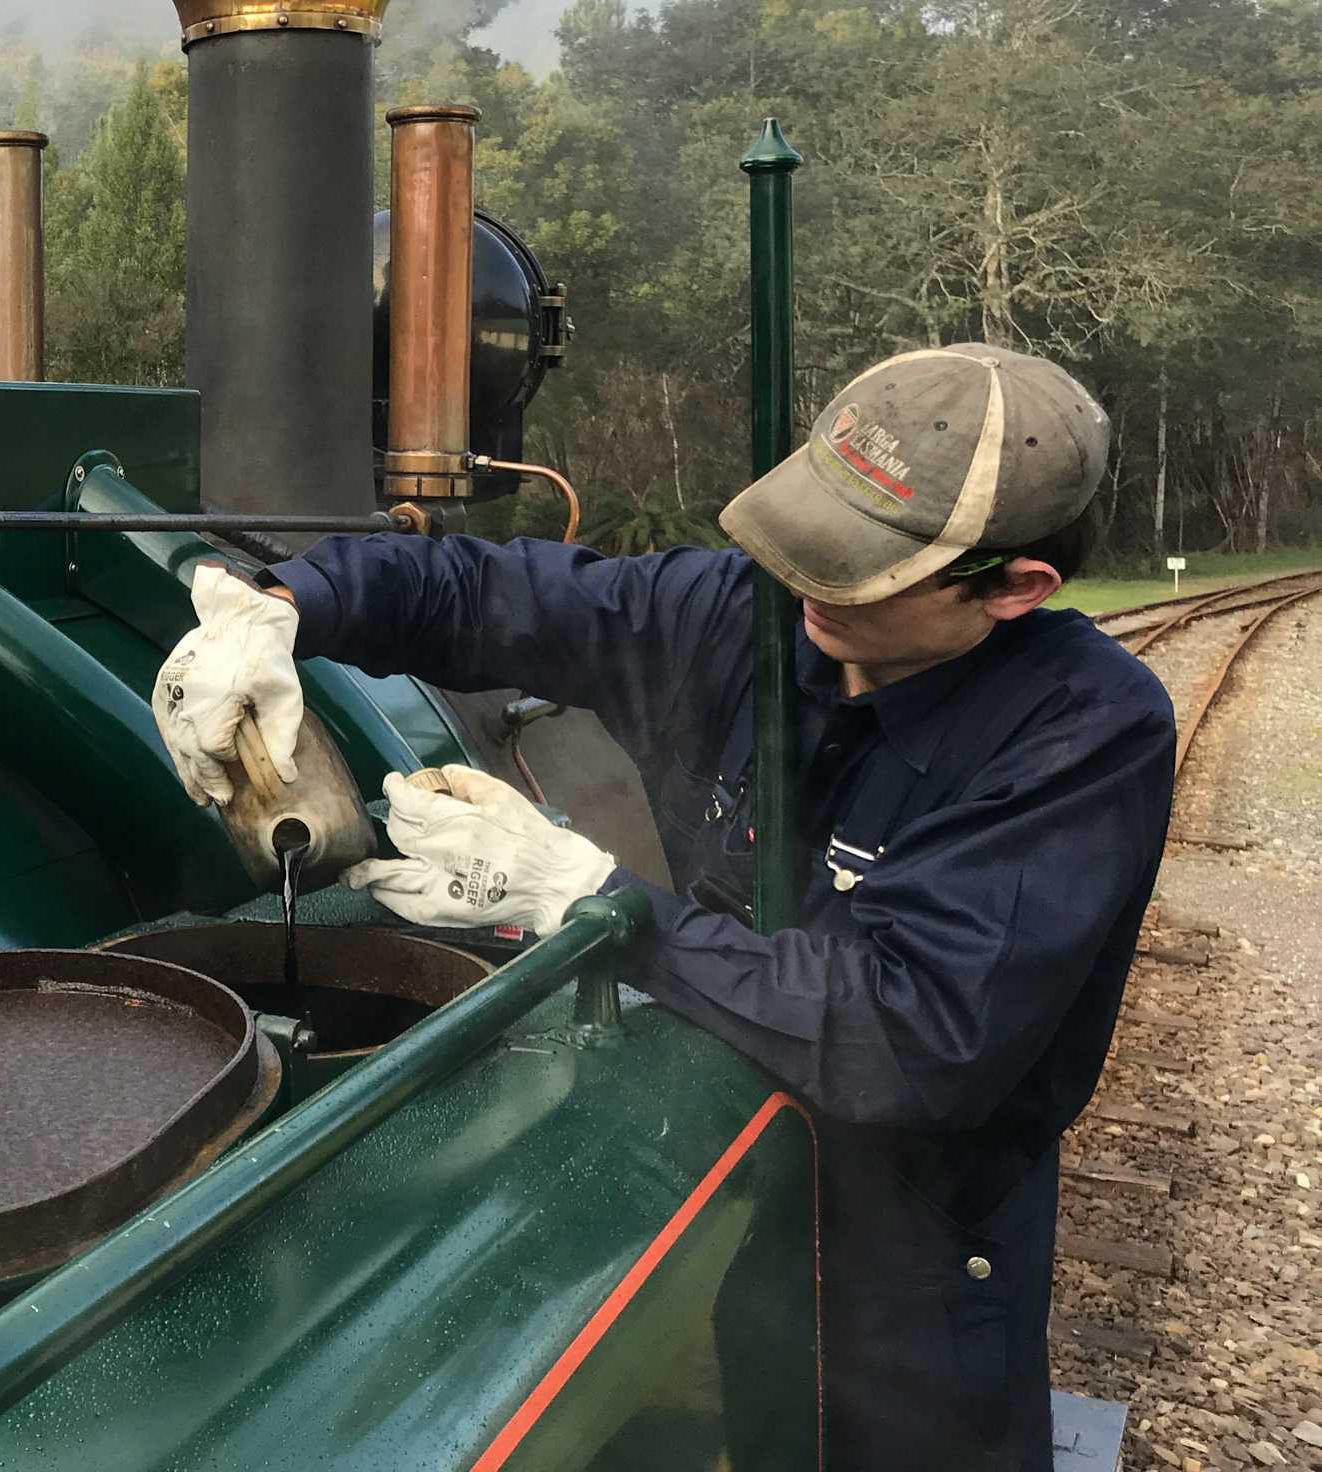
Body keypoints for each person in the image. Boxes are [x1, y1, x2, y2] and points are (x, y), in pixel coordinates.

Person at [151, 343, 1175, 1472]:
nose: (808, 589)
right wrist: (287, 609)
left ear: (1015, 585)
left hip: (918, 1238)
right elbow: (490, 591)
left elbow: (915, 1037)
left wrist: (587, 894)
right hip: (730, 1144)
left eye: (859, 569)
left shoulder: (1082, 733)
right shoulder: (747, 616)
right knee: (763, 1408)